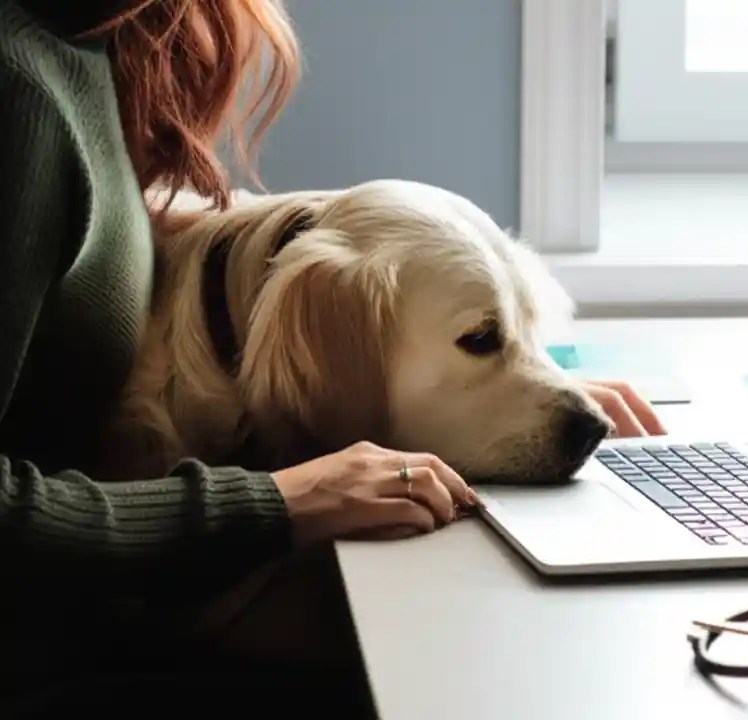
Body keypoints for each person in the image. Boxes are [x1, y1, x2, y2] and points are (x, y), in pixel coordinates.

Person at [0, 0, 664, 715]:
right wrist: (280, 503)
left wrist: (519, 383)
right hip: (61, 646)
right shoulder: (17, 88)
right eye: (479, 342)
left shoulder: (100, 27)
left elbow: (102, 251)